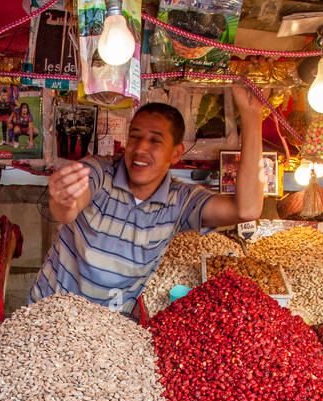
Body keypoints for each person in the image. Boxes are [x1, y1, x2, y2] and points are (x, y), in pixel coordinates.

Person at [30, 87, 266, 314]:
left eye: (155, 141)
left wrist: (252, 116)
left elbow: (247, 210)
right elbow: (67, 211)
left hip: (106, 331)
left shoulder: (180, 200)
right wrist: (63, 198)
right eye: (135, 137)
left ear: (176, 153)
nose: (141, 148)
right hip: (51, 315)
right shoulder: (100, 172)